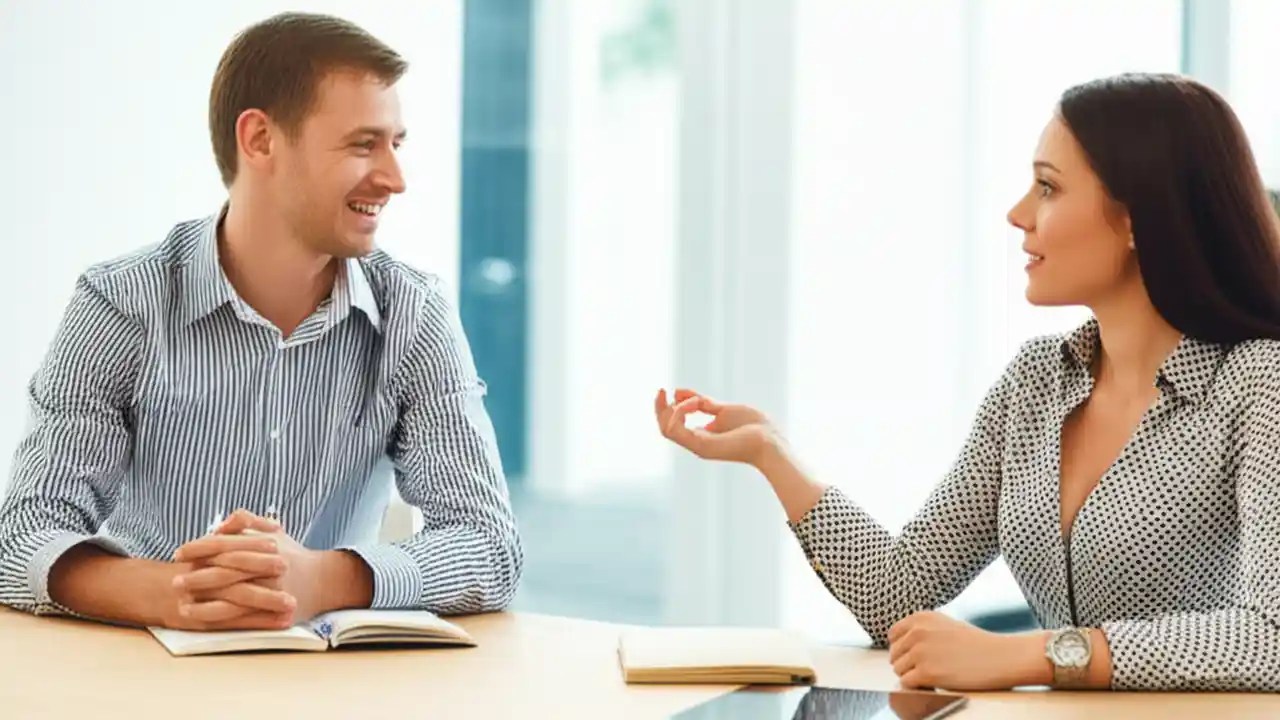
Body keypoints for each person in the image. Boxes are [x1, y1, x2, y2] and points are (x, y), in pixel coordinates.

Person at [656, 73, 1280, 693]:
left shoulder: (1259, 384)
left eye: (1047, 188)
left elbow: (1271, 636)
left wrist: (1033, 657)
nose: (1017, 214)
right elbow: (896, 596)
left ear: (1137, 217)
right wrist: (773, 453)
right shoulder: (1034, 383)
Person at [0, 12, 522, 631]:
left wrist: (321, 578)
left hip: (331, 685)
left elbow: (491, 548)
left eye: (396, 143)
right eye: (363, 144)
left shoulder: (414, 313)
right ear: (260, 140)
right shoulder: (122, 302)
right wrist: (174, 591)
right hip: (148, 679)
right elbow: (22, 539)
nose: (395, 178)